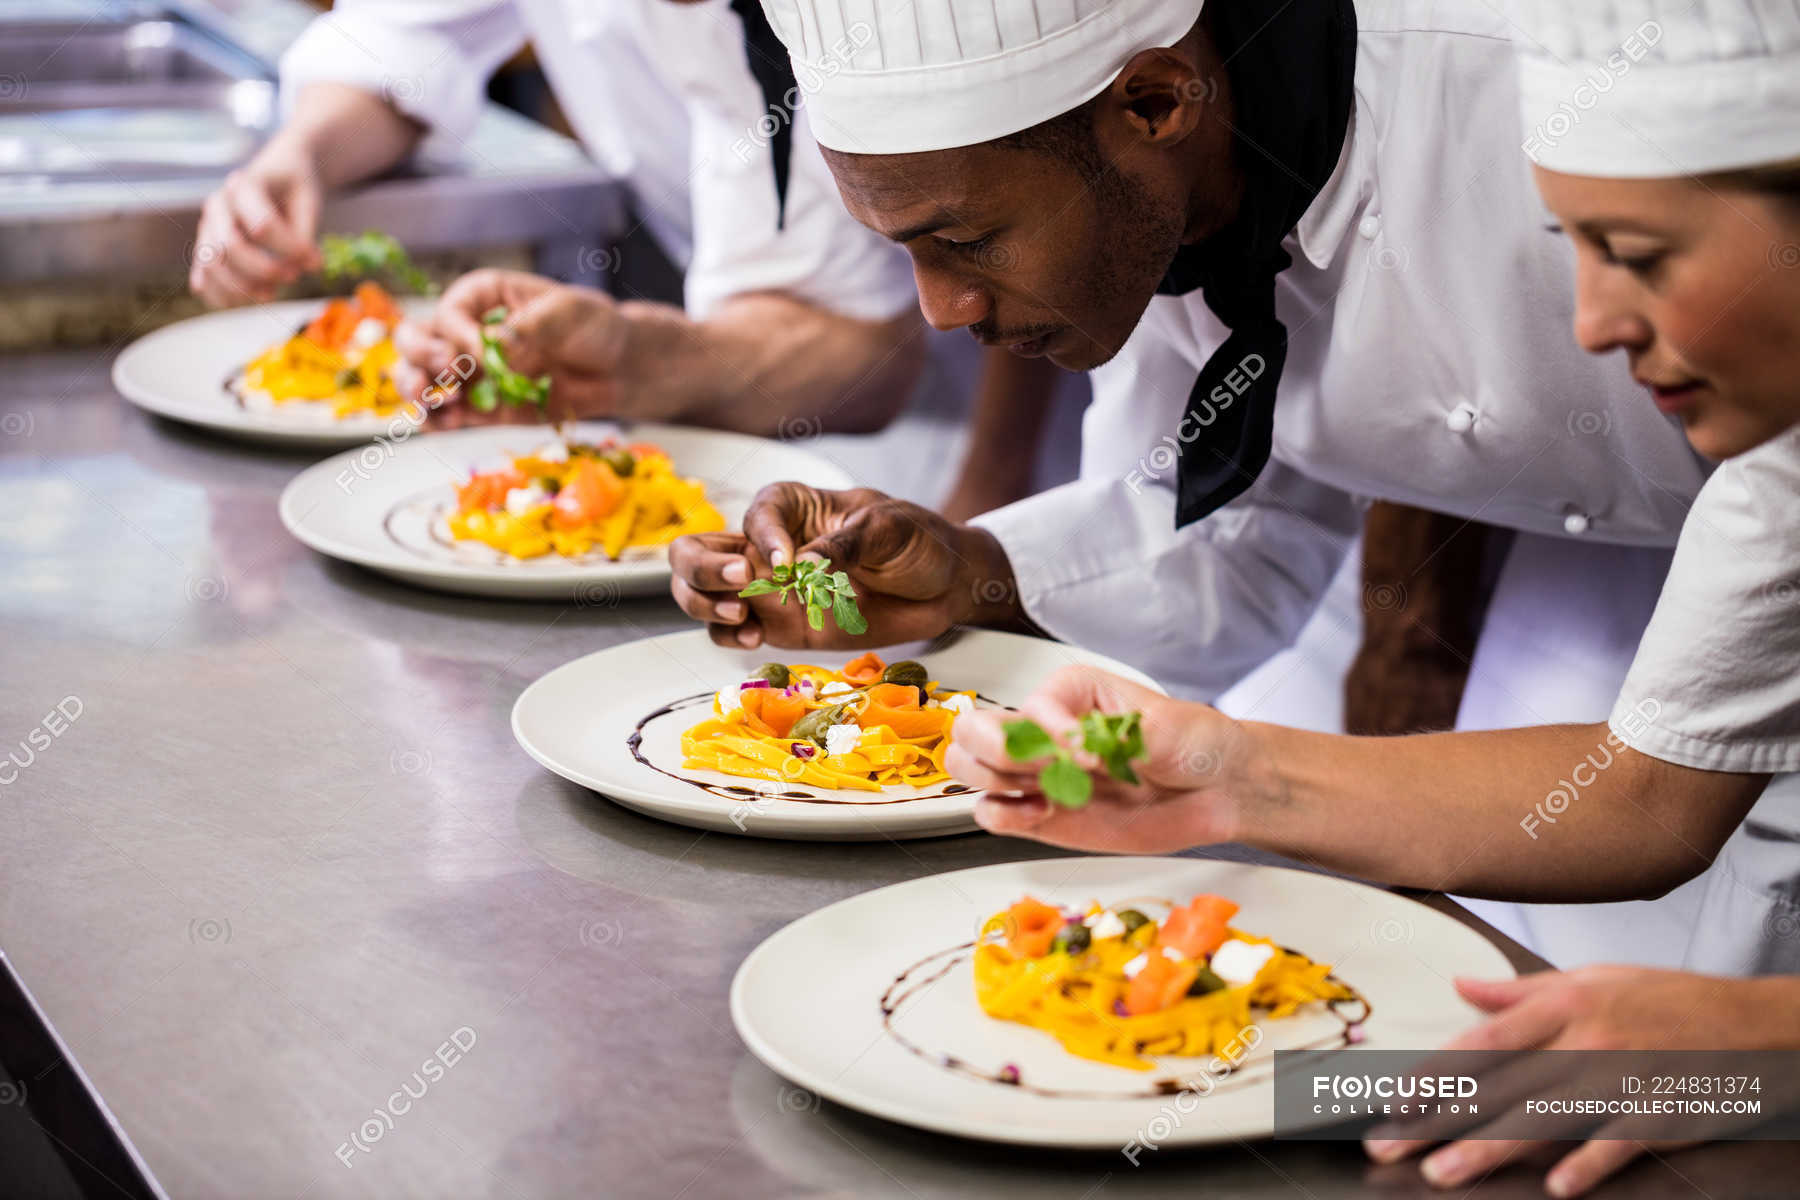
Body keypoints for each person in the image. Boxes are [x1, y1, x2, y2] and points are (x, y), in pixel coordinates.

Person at [944, 3, 1800, 1192]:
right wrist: (1216, 773)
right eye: (1572, 246)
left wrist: (1765, 1043)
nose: (1592, 324)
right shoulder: (1781, 456)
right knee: (1336, 1095)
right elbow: (1655, 795)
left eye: (1641, 256)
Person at [671, 0, 1711, 965]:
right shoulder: (1156, 204)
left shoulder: (1549, 100)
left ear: (1157, 102)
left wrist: (1239, 778)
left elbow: (1658, 802)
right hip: (1583, 647)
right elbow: (1230, 532)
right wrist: (972, 571)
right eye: (904, 253)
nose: (940, 311)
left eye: (968, 240)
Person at [187, 0, 1057, 518]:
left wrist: (995, 485)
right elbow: (411, 40)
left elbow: (1028, 197)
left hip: (1034, 383)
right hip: (779, 361)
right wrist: (298, 155)